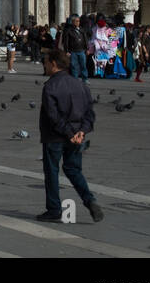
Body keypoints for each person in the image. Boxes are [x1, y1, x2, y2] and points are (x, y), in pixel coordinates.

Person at [37, 49, 104, 222]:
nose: (44, 65)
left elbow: (53, 116)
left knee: (52, 171)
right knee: (73, 169)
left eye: (45, 62)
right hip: (77, 135)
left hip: (55, 136)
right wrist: (81, 131)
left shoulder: (50, 86)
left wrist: (69, 133)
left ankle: (54, 209)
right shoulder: (81, 85)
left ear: (53, 63)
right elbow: (90, 114)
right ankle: (90, 200)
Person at [59, 16, 88, 80]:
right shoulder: (69, 31)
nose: (78, 23)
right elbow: (66, 41)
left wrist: (87, 48)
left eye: (79, 21)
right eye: (76, 21)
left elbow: (85, 39)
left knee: (83, 65)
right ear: (73, 22)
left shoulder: (81, 30)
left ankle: (85, 78)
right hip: (73, 51)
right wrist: (66, 51)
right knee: (74, 66)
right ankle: (75, 79)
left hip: (81, 50)